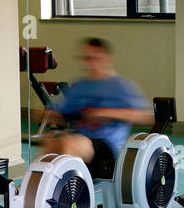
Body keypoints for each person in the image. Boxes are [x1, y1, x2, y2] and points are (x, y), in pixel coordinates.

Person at [39, 37, 153, 174]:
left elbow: (146, 117)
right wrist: (49, 115)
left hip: (107, 144)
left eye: (96, 58)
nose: (91, 63)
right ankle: (32, 189)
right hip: (80, 138)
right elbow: (61, 113)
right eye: (87, 58)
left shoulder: (121, 86)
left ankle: (65, 189)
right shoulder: (80, 85)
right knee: (52, 143)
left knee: (67, 143)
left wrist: (106, 113)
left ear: (107, 58)